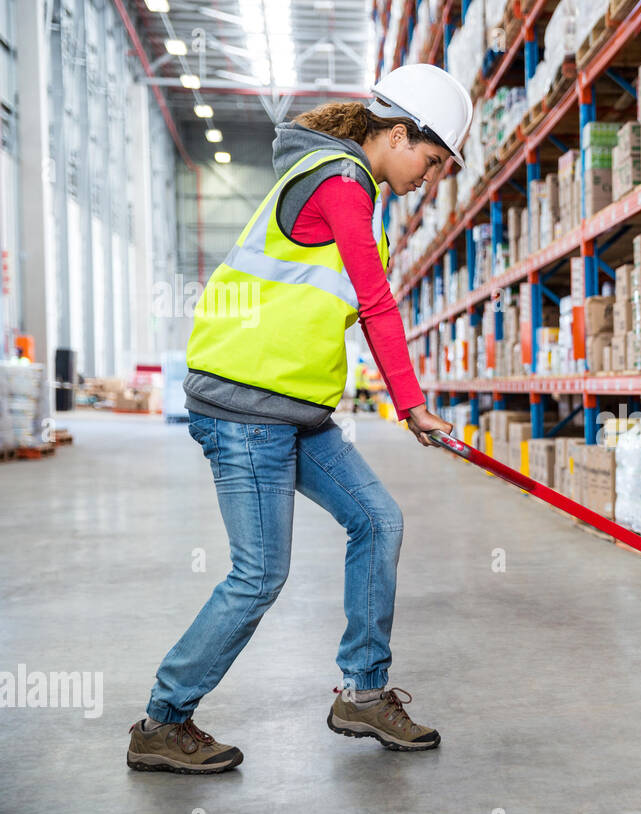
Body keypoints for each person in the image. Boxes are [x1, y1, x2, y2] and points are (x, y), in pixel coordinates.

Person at [127, 64, 473, 774]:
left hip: (295, 412)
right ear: (399, 134)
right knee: (259, 575)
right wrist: (412, 406)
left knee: (378, 520)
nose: (430, 178)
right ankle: (163, 720)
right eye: (431, 161)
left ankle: (364, 693)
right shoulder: (339, 183)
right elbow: (375, 305)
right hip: (246, 408)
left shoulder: (349, 193)